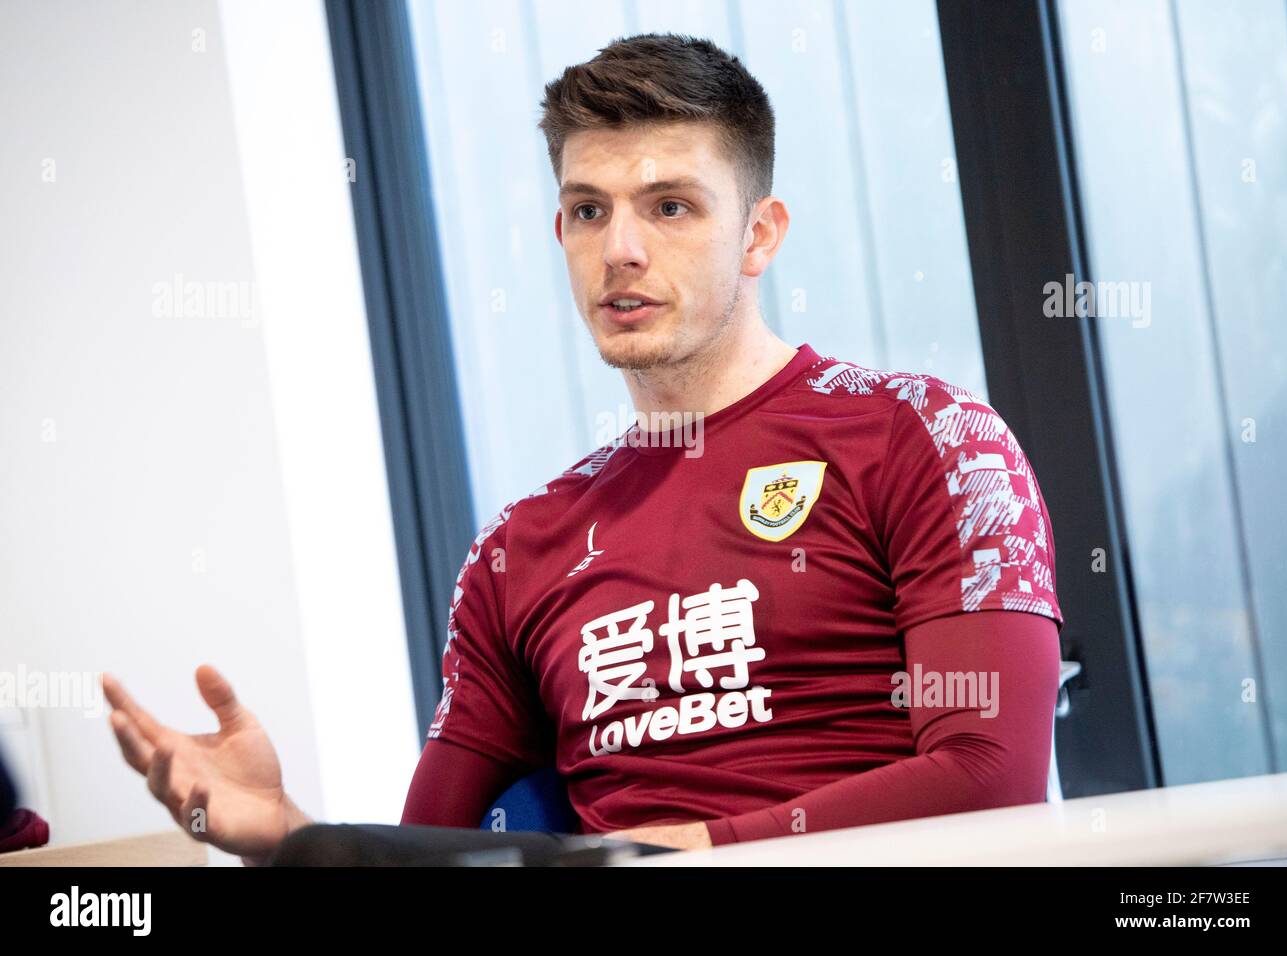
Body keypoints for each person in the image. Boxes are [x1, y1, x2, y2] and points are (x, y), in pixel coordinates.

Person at [104, 32, 1063, 864]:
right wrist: (291, 838)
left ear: (759, 234)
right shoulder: (521, 549)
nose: (622, 250)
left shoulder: (922, 436)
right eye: (590, 211)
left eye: (672, 207)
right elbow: (434, 855)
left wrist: (682, 855)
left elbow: (989, 778)